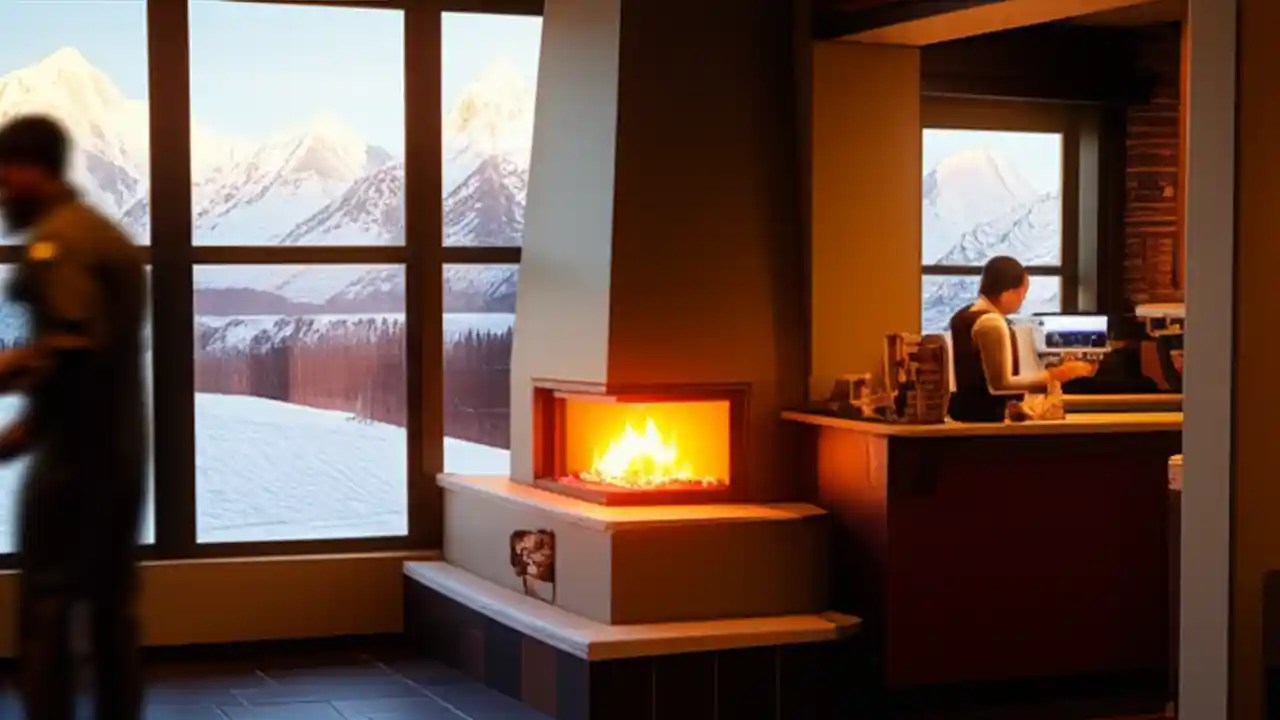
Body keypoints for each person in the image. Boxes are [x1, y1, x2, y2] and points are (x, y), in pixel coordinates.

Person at [0, 116, 146, 720]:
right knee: (110, 612)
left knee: (49, 612)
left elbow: (73, 347)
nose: (2, 191)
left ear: (33, 170)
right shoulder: (102, 233)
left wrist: (15, 385)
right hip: (118, 457)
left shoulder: (58, 243)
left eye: (5, 176)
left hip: (73, 468)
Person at [948, 256, 1095, 422]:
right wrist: (1055, 375)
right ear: (1007, 293)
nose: (1022, 300)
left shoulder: (963, 316)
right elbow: (1000, 385)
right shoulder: (991, 322)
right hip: (988, 422)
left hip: (968, 417)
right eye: (1021, 293)